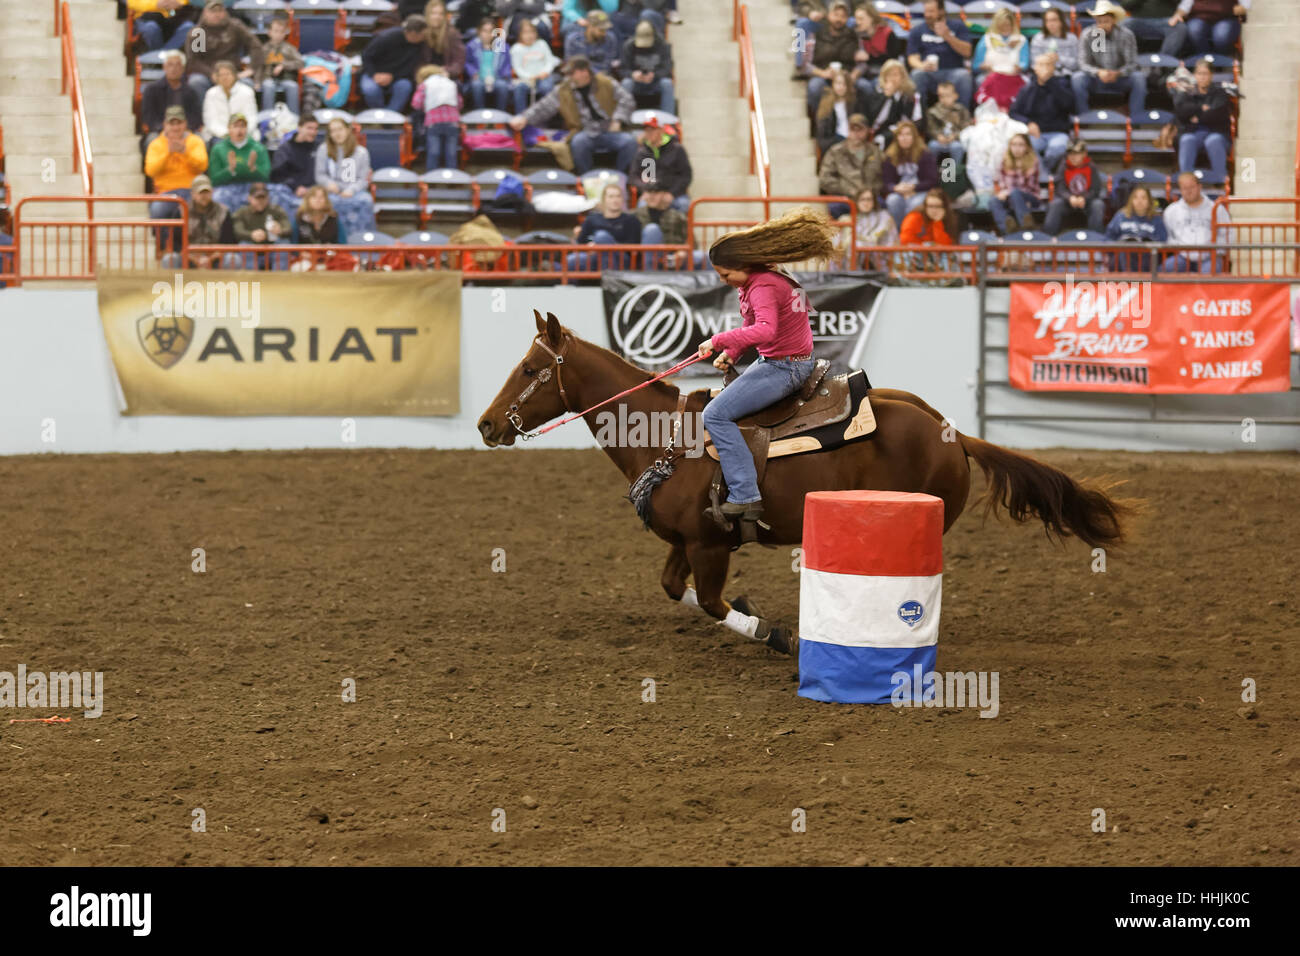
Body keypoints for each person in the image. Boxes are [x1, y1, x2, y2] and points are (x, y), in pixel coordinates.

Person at [698, 208, 835, 520]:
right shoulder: (757, 282)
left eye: (726, 274)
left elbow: (766, 330)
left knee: (715, 415)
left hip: (784, 368)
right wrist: (732, 353)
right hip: (779, 362)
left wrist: (717, 340)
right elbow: (750, 328)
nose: (724, 280)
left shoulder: (763, 286)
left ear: (742, 266)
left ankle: (745, 494)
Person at [510, 55, 637, 175]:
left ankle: (621, 177)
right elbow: (543, 107)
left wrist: (618, 120)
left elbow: (627, 100)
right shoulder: (563, 89)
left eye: (572, 73)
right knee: (578, 143)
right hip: (583, 131)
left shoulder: (607, 83)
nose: (568, 77)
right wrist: (525, 118)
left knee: (629, 142)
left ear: (584, 72)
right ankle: (584, 179)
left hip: (610, 129)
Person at [145, 106, 209, 251]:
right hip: (166, 192)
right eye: (171, 123)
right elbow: (150, 170)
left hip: (192, 191)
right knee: (157, 210)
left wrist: (184, 152)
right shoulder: (156, 144)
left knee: (202, 207)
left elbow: (202, 165)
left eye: (179, 123)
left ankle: (196, 249)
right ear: (165, 125)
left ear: (185, 124)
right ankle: (164, 250)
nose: (175, 127)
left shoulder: (195, 141)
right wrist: (168, 153)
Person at [1073, 1, 1146, 117]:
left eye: (1106, 21)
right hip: (1096, 79)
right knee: (1077, 78)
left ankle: (1136, 118)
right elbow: (1082, 63)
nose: (1102, 25)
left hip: (1120, 78)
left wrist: (1118, 73)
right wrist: (1099, 72)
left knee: (1138, 78)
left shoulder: (1126, 35)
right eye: (1099, 21)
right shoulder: (1088, 34)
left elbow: (1132, 63)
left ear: (1113, 20)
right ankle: (1083, 117)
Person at [1010, 54, 1074, 177]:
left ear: (1053, 68)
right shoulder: (1027, 88)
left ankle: (1043, 175)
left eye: (1047, 65)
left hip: (1058, 132)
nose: (1044, 68)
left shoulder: (1063, 84)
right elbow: (1013, 112)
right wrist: (1029, 123)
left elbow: (1069, 105)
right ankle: (1047, 179)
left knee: (1057, 148)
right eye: (1040, 65)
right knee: (1025, 147)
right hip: (1036, 133)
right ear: (1035, 68)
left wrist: (1050, 83)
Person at [182, 1, 262, 99]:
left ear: (224, 12)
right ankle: (204, 113)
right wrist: (211, 73)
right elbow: (193, 60)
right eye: (213, 11)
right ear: (205, 13)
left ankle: (239, 114)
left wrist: (251, 69)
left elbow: (255, 46)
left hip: (233, 73)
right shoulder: (199, 32)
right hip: (208, 74)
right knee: (196, 82)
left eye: (219, 11)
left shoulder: (235, 26)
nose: (216, 14)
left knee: (247, 83)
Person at [162, 174, 241, 269]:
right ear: (193, 194)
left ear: (212, 192)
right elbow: (175, 243)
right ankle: (174, 284)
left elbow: (228, 242)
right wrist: (193, 258)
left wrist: (211, 258)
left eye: (207, 192)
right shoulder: (181, 212)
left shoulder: (223, 212)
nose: (204, 196)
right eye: (200, 193)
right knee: (169, 259)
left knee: (233, 259)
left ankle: (229, 284)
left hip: (216, 258)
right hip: (189, 258)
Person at [316, 117, 378, 237]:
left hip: (355, 192)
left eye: (340, 129)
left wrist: (351, 189)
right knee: (326, 201)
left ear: (348, 130)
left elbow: (364, 179)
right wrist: (329, 184)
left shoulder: (361, 152)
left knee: (366, 200)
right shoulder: (323, 150)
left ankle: (362, 239)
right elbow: (320, 175)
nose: (337, 133)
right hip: (331, 191)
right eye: (333, 131)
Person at [1173, 58, 1232, 183]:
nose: (1202, 77)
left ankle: (1221, 182)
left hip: (1216, 133)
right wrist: (1202, 109)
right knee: (1186, 139)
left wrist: (1196, 116)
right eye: (1199, 74)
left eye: (1205, 74)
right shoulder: (1188, 93)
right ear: (1195, 75)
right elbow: (1182, 112)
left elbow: (1217, 115)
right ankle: (1185, 182)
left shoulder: (1219, 93)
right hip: (1194, 133)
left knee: (1213, 141)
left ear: (1211, 75)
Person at [907, 0, 974, 108]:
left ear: (941, 11)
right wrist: (922, 65)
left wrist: (947, 36)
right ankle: (920, 118)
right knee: (916, 75)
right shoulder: (917, 30)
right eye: (926, 11)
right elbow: (912, 57)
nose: (927, 15)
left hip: (952, 72)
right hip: (929, 73)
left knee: (964, 76)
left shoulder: (958, 26)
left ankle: (962, 117)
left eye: (931, 11)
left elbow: (967, 52)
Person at [817, 113, 884, 219]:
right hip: (845, 197)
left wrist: (870, 191)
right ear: (848, 131)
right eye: (853, 129)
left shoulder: (875, 152)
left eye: (860, 129)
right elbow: (825, 178)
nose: (856, 133)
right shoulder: (836, 151)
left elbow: (883, 175)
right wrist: (848, 190)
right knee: (833, 208)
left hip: (871, 197)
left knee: (883, 205)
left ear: (867, 131)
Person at [1162, 170, 1229, 272]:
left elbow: (1227, 233)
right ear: (1180, 190)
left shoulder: (1216, 208)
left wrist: (1216, 251)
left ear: (1199, 187)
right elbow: (1168, 235)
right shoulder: (1171, 211)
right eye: (1184, 188)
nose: (1188, 191)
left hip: (1209, 257)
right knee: (1166, 268)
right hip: (1182, 257)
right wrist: (1177, 247)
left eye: (1191, 187)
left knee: (1209, 272)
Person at [360, 14, 430, 111]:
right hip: (375, 72)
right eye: (423, 34)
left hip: (399, 76)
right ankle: (379, 114)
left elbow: (412, 67)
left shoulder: (421, 45)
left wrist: (393, 76)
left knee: (404, 86)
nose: (425, 37)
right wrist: (374, 74)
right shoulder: (387, 37)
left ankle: (391, 115)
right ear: (413, 33)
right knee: (370, 89)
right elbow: (366, 56)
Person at [566, 182, 641, 271]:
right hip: (595, 256)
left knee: (602, 236)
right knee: (571, 260)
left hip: (621, 258)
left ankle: (610, 280)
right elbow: (580, 243)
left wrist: (602, 245)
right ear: (604, 199)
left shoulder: (631, 220)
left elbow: (633, 245)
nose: (615, 200)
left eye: (618, 196)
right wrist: (589, 247)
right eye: (611, 196)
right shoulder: (592, 219)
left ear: (623, 199)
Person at [208, 113, 270, 214]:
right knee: (217, 197)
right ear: (229, 129)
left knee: (275, 195)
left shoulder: (258, 148)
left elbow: (266, 177)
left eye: (242, 126)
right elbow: (214, 180)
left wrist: (253, 169)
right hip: (227, 187)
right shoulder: (218, 149)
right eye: (235, 126)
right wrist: (230, 170)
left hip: (252, 188)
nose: (239, 130)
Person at [141, 50, 202, 152]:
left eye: (177, 65)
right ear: (164, 67)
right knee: (151, 140)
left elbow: (196, 118)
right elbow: (149, 118)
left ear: (183, 69)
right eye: (170, 65)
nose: (173, 68)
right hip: (161, 131)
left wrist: (181, 130)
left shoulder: (191, 91)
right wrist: (168, 130)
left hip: (186, 131)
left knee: (201, 141)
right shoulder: (152, 89)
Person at [806, 2, 860, 117]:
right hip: (823, 75)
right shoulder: (816, 34)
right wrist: (823, 73)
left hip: (848, 75)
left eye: (843, 16)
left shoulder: (853, 35)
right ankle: (821, 122)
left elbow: (862, 64)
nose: (839, 19)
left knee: (864, 87)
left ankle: (855, 125)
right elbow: (805, 65)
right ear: (829, 15)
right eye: (836, 15)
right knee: (814, 87)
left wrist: (854, 75)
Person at [881, 119, 939, 226]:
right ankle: (899, 235)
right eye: (901, 135)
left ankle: (911, 234)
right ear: (896, 138)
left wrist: (914, 188)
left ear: (914, 137)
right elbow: (886, 182)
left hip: (920, 190)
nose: (904, 138)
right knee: (892, 201)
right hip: (899, 191)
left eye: (908, 134)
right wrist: (895, 188)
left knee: (914, 204)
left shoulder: (925, 154)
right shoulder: (890, 156)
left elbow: (932, 180)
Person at [857, 58, 923, 150]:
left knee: (882, 140)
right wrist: (886, 97)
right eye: (889, 75)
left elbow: (910, 119)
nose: (892, 79)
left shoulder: (910, 96)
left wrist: (892, 97)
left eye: (896, 75)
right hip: (873, 130)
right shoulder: (877, 93)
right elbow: (872, 115)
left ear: (902, 77)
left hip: (898, 131)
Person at [1043, 139, 1106, 235]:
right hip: (1068, 201)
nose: (1073, 157)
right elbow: (1060, 188)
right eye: (1070, 154)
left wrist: (1084, 198)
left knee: (1097, 204)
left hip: (1086, 201)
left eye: (1076, 154)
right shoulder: (1063, 167)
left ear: (1084, 154)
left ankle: (1096, 238)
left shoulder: (1092, 167)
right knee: (1055, 204)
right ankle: (1047, 237)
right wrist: (1069, 197)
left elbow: (1095, 189)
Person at [972, 8, 1029, 111]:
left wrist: (1019, 68)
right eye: (1002, 25)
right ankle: (986, 111)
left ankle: (1017, 112)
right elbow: (976, 65)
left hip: (1012, 77)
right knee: (980, 80)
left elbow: (1025, 64)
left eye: (1008, 25)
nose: (1005, 28)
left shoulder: (1021, 40)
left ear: (1013, 24)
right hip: (991, 76)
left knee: (1027, 83)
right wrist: (984, 67)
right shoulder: (986, 39)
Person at [630, 117, 692, 211]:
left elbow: (686, 175)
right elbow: (634, 177)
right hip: (649, 193)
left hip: (673, 194)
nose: (649, 133)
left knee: (682, 204)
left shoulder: (677, 149)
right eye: (646, 130)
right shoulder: (642, 152)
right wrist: (646, 190)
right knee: (642, 207)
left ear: (661, 130)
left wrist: (671, 193)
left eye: (652, 130)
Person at [634, 180, 694, 269]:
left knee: (704, 256)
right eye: (649, 192)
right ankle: (649, 276)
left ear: (664, 194)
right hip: (644, 259)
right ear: (644, 194)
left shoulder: (678, 216)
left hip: (673, 258)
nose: (652, 196)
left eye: (656, 192)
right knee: (652, 229)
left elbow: (691, 241)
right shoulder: (635, 215)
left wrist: (682, 252)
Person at [413, 65, 463, 171]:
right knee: (451, 152)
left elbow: (416, 103)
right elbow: (459, 103)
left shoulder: (425, 85)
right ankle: (453, 179)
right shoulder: (451, 83)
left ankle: (431, 178)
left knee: (433, 151)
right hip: (452, 120)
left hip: (433, 121)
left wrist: (425, 107)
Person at [988, 133, 1040, 234]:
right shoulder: (1004, 161)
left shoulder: (1033, 162)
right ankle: (1008, 230)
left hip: (1030, 197)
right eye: (1014, 145)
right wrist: (1003, 193)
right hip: (1010, 197)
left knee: (1016, 193)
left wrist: (1009, 192)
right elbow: (1002, 183)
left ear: (1027, 147)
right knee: (993, 201)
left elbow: (1030, 187)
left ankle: (1026, 227)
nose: (1017, 148)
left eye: (1021, 145)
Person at [1106, 183, 1167, 270]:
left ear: (1149, 201)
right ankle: (1129, 279)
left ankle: (1141, 280)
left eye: (1143, 198)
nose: (1139, 201)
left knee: (1147, 248)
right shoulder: (1121, 216)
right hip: (1122, 257)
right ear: (1131, 200)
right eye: (1136, 197)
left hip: (1146, 257)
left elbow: (1163, 242)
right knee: (1127, 246)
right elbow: (1108, 238)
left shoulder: (1156, 219)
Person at [233, 182, 291, 270]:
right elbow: (237, 231)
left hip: (272, 251)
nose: (260, 201)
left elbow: (288, 228)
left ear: (268, 198)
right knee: (244, 245)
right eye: (257, 198)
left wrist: (280, 231)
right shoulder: (241, 213)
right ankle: (251, 280)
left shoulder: (277, 210)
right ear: (249, 198)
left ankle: (280, 280)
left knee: (284, 244)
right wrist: (251, 235)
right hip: (252, 251)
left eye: (263, 198)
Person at [621, 20, 674, 113]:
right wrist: (633, 74)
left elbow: (667, 67)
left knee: (667, 84)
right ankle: (624, 116)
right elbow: (623, 69)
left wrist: (655, 75)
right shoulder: (628, 46)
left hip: (656, 81)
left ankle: (668, 119)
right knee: (626, 83)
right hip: (637, 82)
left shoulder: (663, 45)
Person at [256, 11, 304, 115]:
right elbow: (258, 67)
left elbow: (300, 62)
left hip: (286, 78)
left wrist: (284, 65)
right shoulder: (264, 49)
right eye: (276, 31)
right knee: (268, 86)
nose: (278, 34)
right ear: (269, 32)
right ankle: (267, 117)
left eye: (281, 31)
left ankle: (294, 118)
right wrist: (257, 81)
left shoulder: (289, 48)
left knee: (293, 86)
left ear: (285, 33)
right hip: (268, 78)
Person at [850, 2, 904, 92]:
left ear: (871, 18)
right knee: (860, 85)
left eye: (861, 19)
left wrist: (869, 57)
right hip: (863, 73)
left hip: (884, 71)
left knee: (876, 85)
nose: (857, 22)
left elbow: (893, 57)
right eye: (856, 18)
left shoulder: (887, 33)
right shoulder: (855, 34)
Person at [510, 17, 560, 112]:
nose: (529, 35)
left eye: (532, 32)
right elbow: (518, 68)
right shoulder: (516, 49)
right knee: (519, 88)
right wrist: (530, 77)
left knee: (546, 87)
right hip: (526, 78)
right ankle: (521, 116)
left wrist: (545, 72)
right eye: (526, 32)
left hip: (543, 76)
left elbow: (550, 61)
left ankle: (544, 116)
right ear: (520, 35)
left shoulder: (542, 44)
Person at [202, 60, 258, 144]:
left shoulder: (247, 92)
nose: (225, 77)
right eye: (221, 75)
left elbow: (251, 117)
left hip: (244, 134)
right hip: (220, 135)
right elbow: (210, 121)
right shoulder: (211, 94)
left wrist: (239, 132)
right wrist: (228, 134)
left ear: (234, 75)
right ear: (216, 77)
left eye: (228, 74)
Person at [464, 16, 513, 111]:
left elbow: (507, 64)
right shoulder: (472, 46)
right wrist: (473, 73)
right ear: (479, 32)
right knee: (476, 85)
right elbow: (467, 63)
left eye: (490, 31)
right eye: (484, 31)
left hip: (498, 78)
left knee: (502, 86)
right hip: (478, 78)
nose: (487, 34)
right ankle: (479, 113)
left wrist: (505, 75)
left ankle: (500, 113)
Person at [269, 114, 321, 201]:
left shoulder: (319, 147)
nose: (313, 132)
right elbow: (277, 175)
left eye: (316, 129)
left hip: (315, 192)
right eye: (309, 128)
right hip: (291, 192)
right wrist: (295, 187)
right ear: (299, 128)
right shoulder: (285, 149)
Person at [1170, 0, 1250, 56]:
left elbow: (1245, 7)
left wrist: (1226, 9)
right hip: (1200, 17)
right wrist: (1178, 15)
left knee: (1220, 35)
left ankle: (1220, 61)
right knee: (1193, 29)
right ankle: (1204, 59)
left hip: (1226, 18)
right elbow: (1186, 5)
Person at [925, 79, 972, 171]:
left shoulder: (961, 110)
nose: (944, 99)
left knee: (957, 147)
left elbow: (966, 127)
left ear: (955, 96)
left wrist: (955, 136)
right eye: (941, 96)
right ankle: (932, 172)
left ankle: (952, 173)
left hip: (955, 140)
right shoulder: (933, 111)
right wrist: (938, 136)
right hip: (938, 140)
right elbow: (931, 127)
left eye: (948, 96)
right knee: (932, 146)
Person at [850, 185, 897, 269]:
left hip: (882, 257)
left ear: (874, 201)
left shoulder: (884, 216)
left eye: (869, 199)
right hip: (857, 260)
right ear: (856, 202)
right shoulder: (848, 219)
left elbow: (889, 240)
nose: (866, 203)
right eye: (862, 199)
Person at [564, 10, 620, 77]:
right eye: (601, 30)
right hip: (578, 75)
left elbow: (607, 64)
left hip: (602, 76)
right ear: (590, 26)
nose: (604, 33)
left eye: (606, 29)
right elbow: (570, 63)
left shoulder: (610, 38)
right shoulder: (573, 40)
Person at [129, 0, 198, 52]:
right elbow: (130, 2)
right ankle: (159, 59)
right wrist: (156, 4)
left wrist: (178, 3)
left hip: (173, 18)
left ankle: (161, 58)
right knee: (151, 28)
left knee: (189, 27)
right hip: (146, 18)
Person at [1121, 0, 1185, 55]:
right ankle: (1127, 60)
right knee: (1122, 25)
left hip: (1165, 21)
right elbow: (1125, 4)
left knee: (1179, 27)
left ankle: (1163, 62)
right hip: (1137, 20)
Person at [814, 69, 854, 155]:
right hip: (833, 142)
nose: (841, 87)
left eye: (844, 84)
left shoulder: (853, 102)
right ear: (833, 84)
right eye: (838, 83)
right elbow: (823, 132)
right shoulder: (826, 103)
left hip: (852, 140)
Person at [1029, 8, 1079, 76]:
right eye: (1047, 21)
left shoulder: (1072, 39)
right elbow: (1034, 63)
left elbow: (1077, 64)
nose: (1050, 24)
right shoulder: (1038, 39)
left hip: (1065, 75)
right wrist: (1047, 61)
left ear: (1061, 21)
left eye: (1054, 20)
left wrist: (1059, 58)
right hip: (1043, 75)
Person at [424, 1, 467, 80]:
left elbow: (459, 61)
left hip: (447, 75)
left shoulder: (452, 33)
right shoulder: (422, 33)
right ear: (428, 15)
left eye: (441, 14)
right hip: (426, 75)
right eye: (433, 13)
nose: (437, 17)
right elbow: (418, 62)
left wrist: (448, 71)